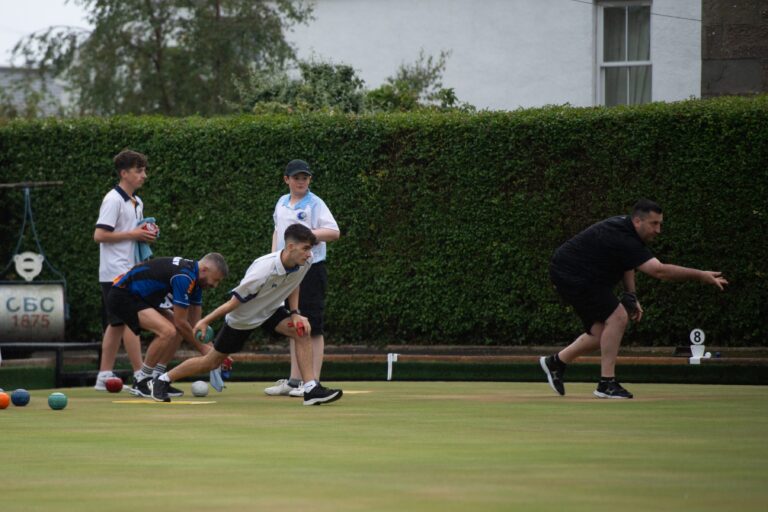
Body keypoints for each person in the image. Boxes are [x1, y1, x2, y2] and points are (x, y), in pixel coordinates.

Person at [541, 199, 728, 399]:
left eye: (660, 224)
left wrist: (631, 295)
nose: (658, 230)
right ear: (638, 221)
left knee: (601, 333)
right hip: (572, 273)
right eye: (654, 224)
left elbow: (627, 262)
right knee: (618, 317)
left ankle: (555, 362)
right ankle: (606, 383)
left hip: (580, 274)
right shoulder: (624, 237)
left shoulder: (629, 232)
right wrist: (700, 275)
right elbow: (659, 271)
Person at [151, 223, 343, 406]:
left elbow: (294, 283)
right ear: (291, 247)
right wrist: (204, 321)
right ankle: (162, 380)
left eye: (310, 249)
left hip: (271, 310)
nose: (309, 253)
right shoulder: (262, 270)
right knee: (211, 361)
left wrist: (295, 313)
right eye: (305, 248)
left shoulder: (305, 261)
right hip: (242, 319)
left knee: (301, 331)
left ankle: (310, 389)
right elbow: (232, 303)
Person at [264, 159, 340, 398]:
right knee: (294, 323)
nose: (300, 182)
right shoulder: (281, 202)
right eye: (296, 178)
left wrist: (306, 237)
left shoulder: (315, 203)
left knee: (312, 326)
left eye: (304, 178)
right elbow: (278, 232)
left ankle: (312, 382)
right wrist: (273, 258)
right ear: (286, 179)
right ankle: (295, 380)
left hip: (311, 269)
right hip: (286, 271)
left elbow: (333, 232)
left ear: (309, 180)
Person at [106, 253, 228, 397]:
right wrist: (204, 350)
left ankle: (158, 380)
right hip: (123, 294)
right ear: (204, 270)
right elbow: (181, 322)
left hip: (143, 299)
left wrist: (215, 351)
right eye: (215, 280)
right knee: (168, 331)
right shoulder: (184, 277)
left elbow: (196, 325)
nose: (215, 285)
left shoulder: (196, 280)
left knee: (177, 330)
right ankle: (142, 380)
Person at [93, 150, 156, 391]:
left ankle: (103, 375)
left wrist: (146, 234)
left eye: (144, 170)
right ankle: (140, 374)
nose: (144, 176)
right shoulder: (113, 199)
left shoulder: (137, 202)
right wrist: (134, 234)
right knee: (130, 319)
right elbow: (99, 235)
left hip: (129, 270)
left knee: (117, 323)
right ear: (124, 173)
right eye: (139, 171)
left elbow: (133, 234)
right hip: (114, 271)